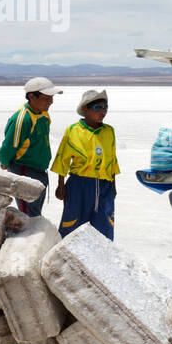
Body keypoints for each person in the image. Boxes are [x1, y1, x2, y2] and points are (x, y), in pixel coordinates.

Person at [52, 89, 119, 239]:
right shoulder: (73, 131)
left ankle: (102, 260)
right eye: (98, 108)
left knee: (104, 227)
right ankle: (66, 259)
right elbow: (62, 159)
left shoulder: (109, 131)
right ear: (85, 110)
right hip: (79, 185)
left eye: (105, 108)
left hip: (105, 187)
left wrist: (113, 187)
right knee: (73, 225)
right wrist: (61, 185)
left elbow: (112, 160)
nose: (103, 112)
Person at [0, 77, 62, 216]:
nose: (51, 102)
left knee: (35, 212)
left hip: (39, 171)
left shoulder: (43, 115)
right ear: (32, 96)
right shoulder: (22, 119)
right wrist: (4, 162)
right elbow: (9, 146)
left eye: (51, 98)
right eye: (47, 98)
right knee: (29, 215)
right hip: (25, 171)